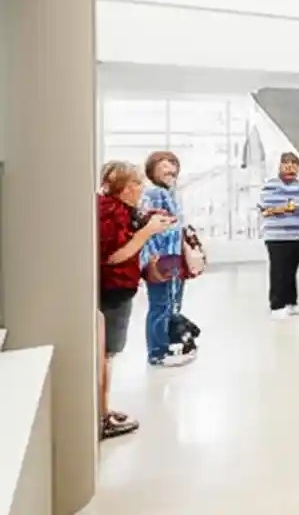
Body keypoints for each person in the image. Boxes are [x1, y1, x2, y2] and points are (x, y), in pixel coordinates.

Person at [97, 161, 177, 438]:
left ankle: (102, 410)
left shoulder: (121, 210)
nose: (138, 188)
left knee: (107, 355)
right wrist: (147, 233)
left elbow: (142, 219)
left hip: (122, 287)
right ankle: (101, 416)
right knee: (105, 356)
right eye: (133, 183)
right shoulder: (109, 213)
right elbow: (112, 256)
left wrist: (152, 223)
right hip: (113, 290)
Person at [139, 151, 191, 366]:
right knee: (160, 304)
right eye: (164, 165)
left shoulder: (171, 193)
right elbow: (151, 227)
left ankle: (167, 346)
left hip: (173, 256)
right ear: (152, 169)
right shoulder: (153, 194)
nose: (170, 169)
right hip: (160, 257)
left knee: (171, 303)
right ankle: (157, 352)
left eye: (173, 165)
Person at [259, 152, 299, 319]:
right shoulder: (270, 185)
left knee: (291, 271)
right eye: (286, 163)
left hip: (296, 235)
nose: (290, 167)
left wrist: (283, 208)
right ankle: (277, 305)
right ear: (280, 166)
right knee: (278, 271)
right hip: (276, 236)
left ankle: (291, 303)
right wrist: (289, 207)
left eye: (294, 164)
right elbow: (265, 208)